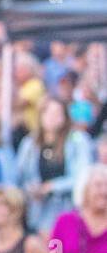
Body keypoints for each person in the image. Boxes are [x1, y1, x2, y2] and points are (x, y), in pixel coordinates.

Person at [15, 96, 92, 234]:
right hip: (36, 214)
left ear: (65, 117)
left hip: (66, 212)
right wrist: (33, 189)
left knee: (56, 252)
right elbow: (20, 176)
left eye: (57, 113)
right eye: (48, 113)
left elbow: (83, 177)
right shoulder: (30, 144)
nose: (52, 118)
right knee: (39, 252)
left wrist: (52, 187)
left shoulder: (77, 141)